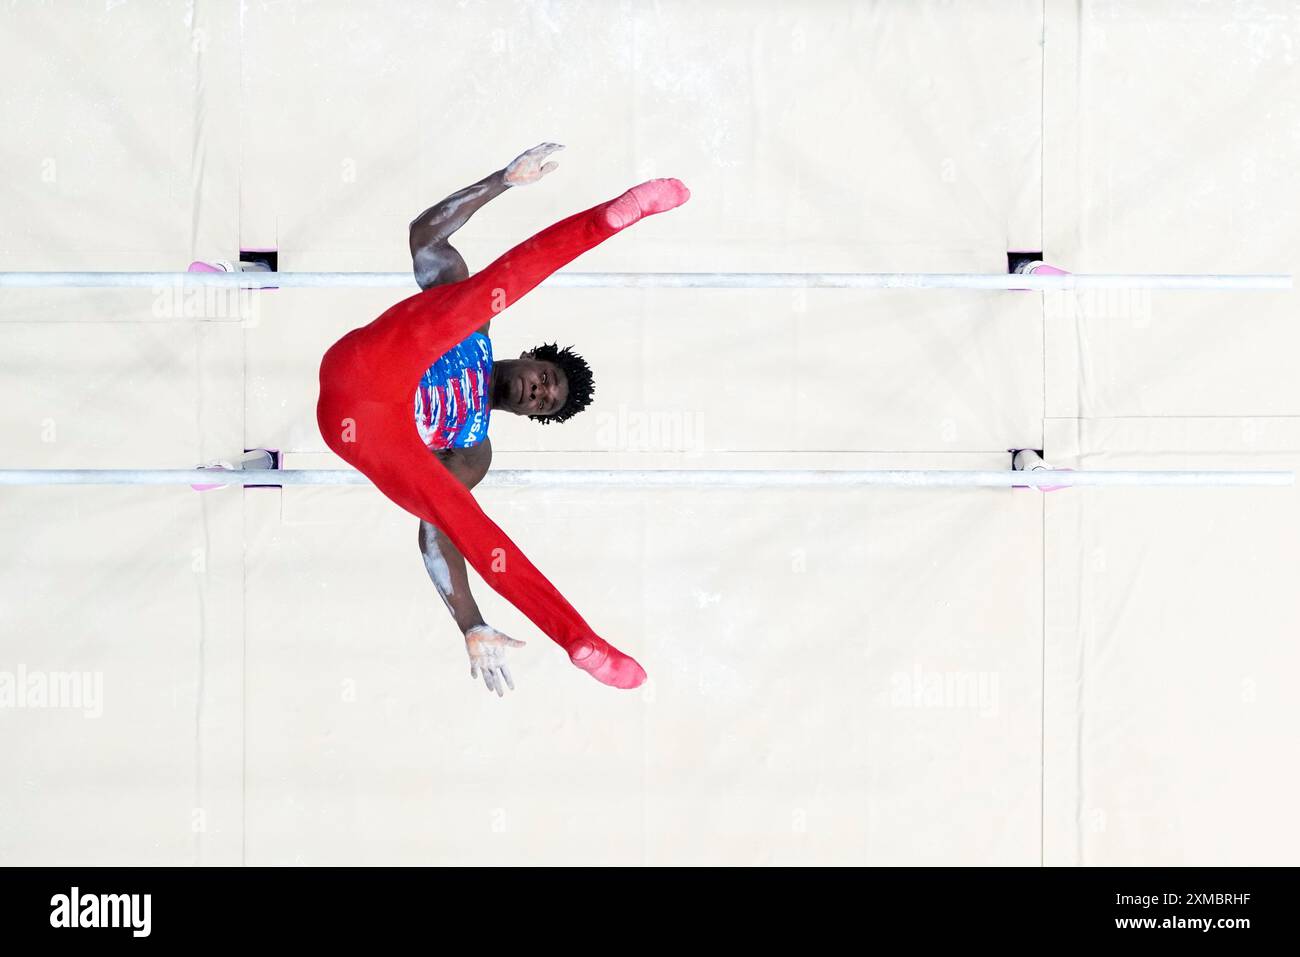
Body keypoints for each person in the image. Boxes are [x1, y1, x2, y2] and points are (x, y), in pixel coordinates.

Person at [315, 143, 690, 697]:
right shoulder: (473, 324)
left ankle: (580, 641)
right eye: (545, 378)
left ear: (526, 414)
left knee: (458, 515)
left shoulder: (472, 448)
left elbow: (437, 533)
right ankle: (609, 218)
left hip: (366, 432)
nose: (538, 390)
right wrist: (500, 181)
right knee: (482, 301)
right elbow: (425, 236)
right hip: (371, 361)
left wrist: (468, 621)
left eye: (544, 402)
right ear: (529, 358)